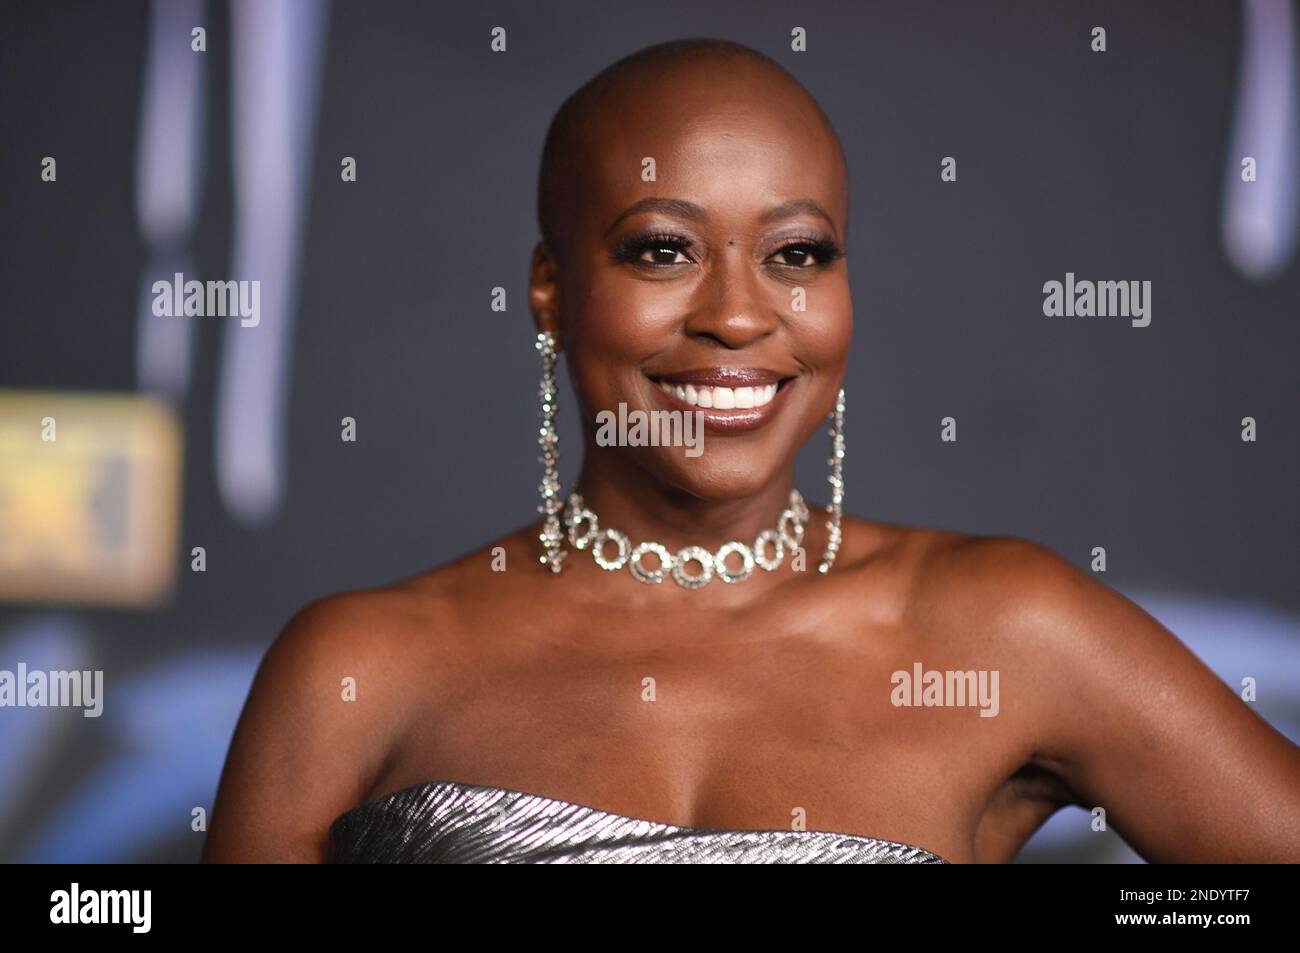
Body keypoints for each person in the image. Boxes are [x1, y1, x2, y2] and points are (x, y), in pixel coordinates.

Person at [201, 38, 1300, 864]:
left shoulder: (1003, 624)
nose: (737, 315)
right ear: (551, 287)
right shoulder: (356, 667)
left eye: (796, 253)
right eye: (663, 248)